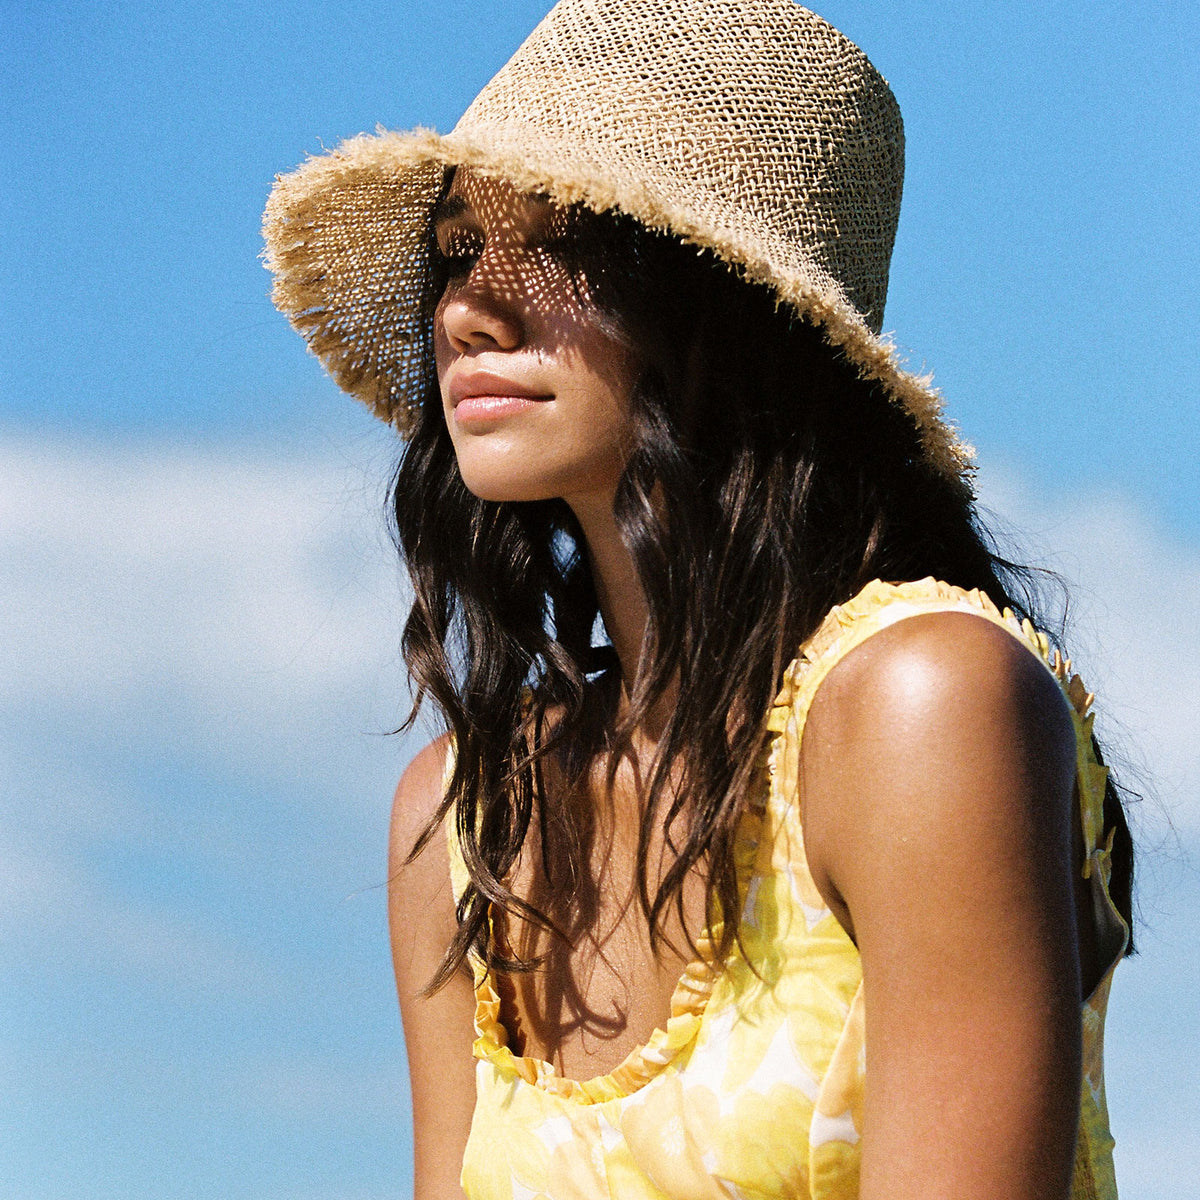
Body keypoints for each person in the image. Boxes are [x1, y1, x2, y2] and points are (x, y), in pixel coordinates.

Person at [262, 2, 1132, 1197]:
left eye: (565, 241)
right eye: (458, 249)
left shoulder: (921, 704)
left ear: (734, 308)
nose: (469, 306)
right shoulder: (463, 820)